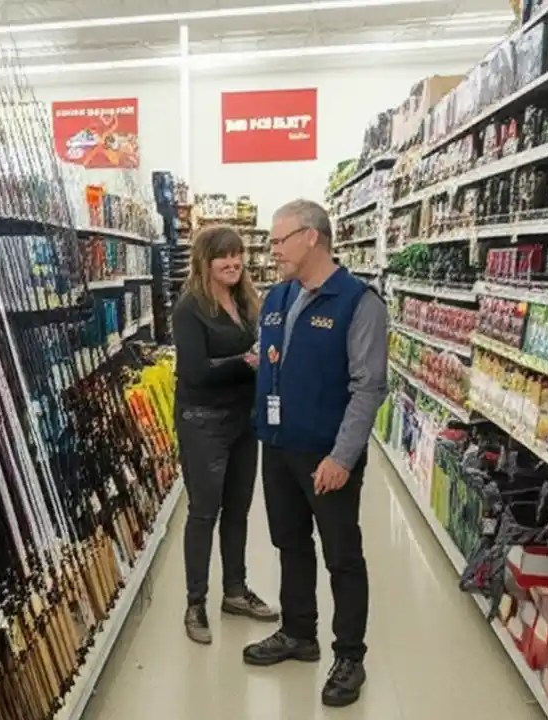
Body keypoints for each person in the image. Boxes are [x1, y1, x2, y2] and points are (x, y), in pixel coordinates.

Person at [242, 199, 388, 708]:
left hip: (328, 456)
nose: (273, 250)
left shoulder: (358, 302)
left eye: (279, 240)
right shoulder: (278, 296)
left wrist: (343, 457)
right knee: (290, 544)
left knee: (342, 556)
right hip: (279, 448)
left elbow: (368, 387)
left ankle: (349, 655)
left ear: (311, 237)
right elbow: (276, 358)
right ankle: (298, 632)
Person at [172, 225, 278, 645]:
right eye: (223, 257)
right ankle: (194, 603)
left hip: (242, 421)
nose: (233, 263)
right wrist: (246, 361)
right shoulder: (189, 309)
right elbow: (195, 371)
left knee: (237, 511)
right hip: (202, 422)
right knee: (203, 513)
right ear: (206, 262)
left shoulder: (245, 302)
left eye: (237, 255)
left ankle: (234, 591)